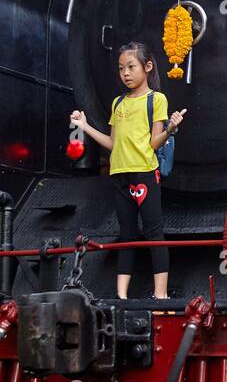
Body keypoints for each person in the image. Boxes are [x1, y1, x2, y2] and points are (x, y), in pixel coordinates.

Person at [70, 42, 186, 299]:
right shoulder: (118, 103)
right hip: (119, 174)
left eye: (131, 67)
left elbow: (154, 143)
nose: (125, 73)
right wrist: (85, 126)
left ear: (147, 67)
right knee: (127, 235)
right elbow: (112, 143)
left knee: (154, 233)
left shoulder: (157, 99)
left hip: (145, 172)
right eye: (121, 68)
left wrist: (171, 129)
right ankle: (121, 295)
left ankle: (161, 294)